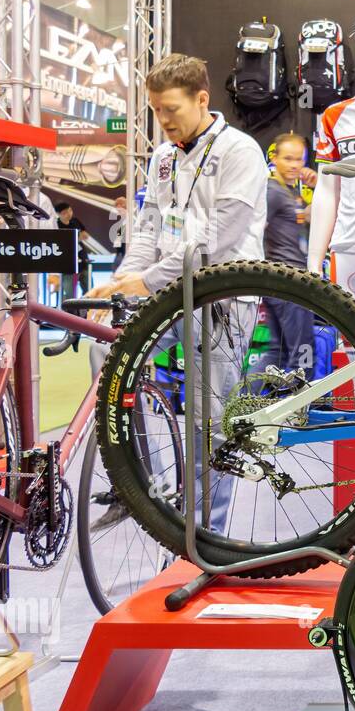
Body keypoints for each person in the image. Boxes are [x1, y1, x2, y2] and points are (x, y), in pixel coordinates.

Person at [87, 52, 267, 534]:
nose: (162, 120)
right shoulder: (163, 158)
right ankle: (139, 485)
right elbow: (147, 230)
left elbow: (221, 240)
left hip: (224, 299)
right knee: (105, 351)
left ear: (201, 99)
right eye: (155, 110)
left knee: (211, 424)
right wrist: (124, 282)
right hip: (167, 295)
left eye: (170, 109)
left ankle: (208, 540)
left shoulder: (240, 151)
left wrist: (146, 281)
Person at [256, 132, 315, 379]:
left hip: (285, 281)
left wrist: (318, 186)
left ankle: (241, 403)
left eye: (298, 159)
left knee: (277, 355)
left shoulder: (290, 192)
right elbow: (255, 229)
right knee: (304, 358)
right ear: (275, 159)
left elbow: (308, 217)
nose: (293, 165)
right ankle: (299, 414)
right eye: (287, 158)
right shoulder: (273, 191)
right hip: (289, 282)